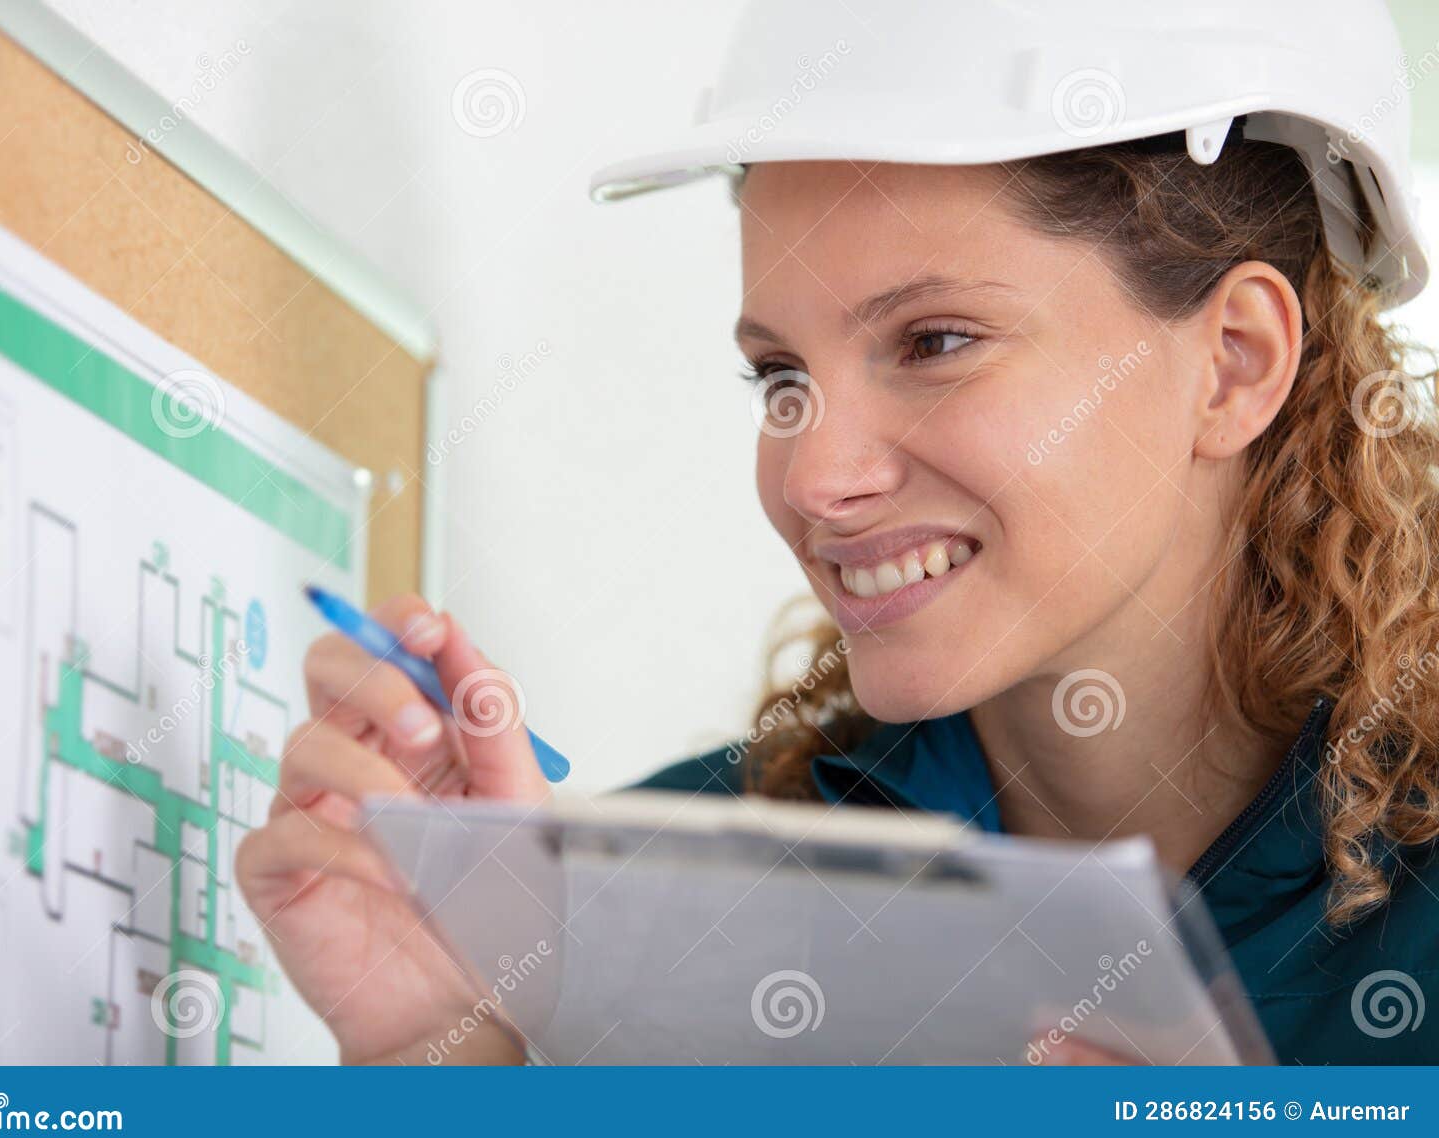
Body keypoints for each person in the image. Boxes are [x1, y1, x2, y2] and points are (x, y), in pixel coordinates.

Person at [235, 0, 1439, 1064]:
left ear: (1232, 363)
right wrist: (448, 1049)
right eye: (780, 374)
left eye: (934, 342)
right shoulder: (693, 893)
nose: (813, 475)